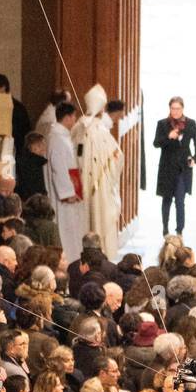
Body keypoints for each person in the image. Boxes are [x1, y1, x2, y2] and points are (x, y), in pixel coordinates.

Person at [71, 85, 122, 261]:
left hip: (82, 182)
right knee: (101, 219)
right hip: (100, 188)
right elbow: (116, 156)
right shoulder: (99, 130)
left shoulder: (78, 126)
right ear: (101, 107)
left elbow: (75, 155)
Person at [154, 96, 196, 235]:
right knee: (166, 199)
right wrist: (169, 137)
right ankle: (165, 228)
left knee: (180, 200)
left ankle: (180, 230)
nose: (175, 111)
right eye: (173, 108)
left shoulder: (190, 123)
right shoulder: (163, 124)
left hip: (183, 167)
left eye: (178, 109)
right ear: (169, 109)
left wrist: (195, 158)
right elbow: (156, 143)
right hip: (167, 167)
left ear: (182, 109)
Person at [46, 101, 85, 264]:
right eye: (74, 116)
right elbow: (59, 168)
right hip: (63, 195)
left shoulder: (61, 136)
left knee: (72, 229)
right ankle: (68, 262)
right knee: (66, 229)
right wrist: (68, 193)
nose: (75, 119)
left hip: (70, 187)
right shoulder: (57, 138)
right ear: (68, 117)